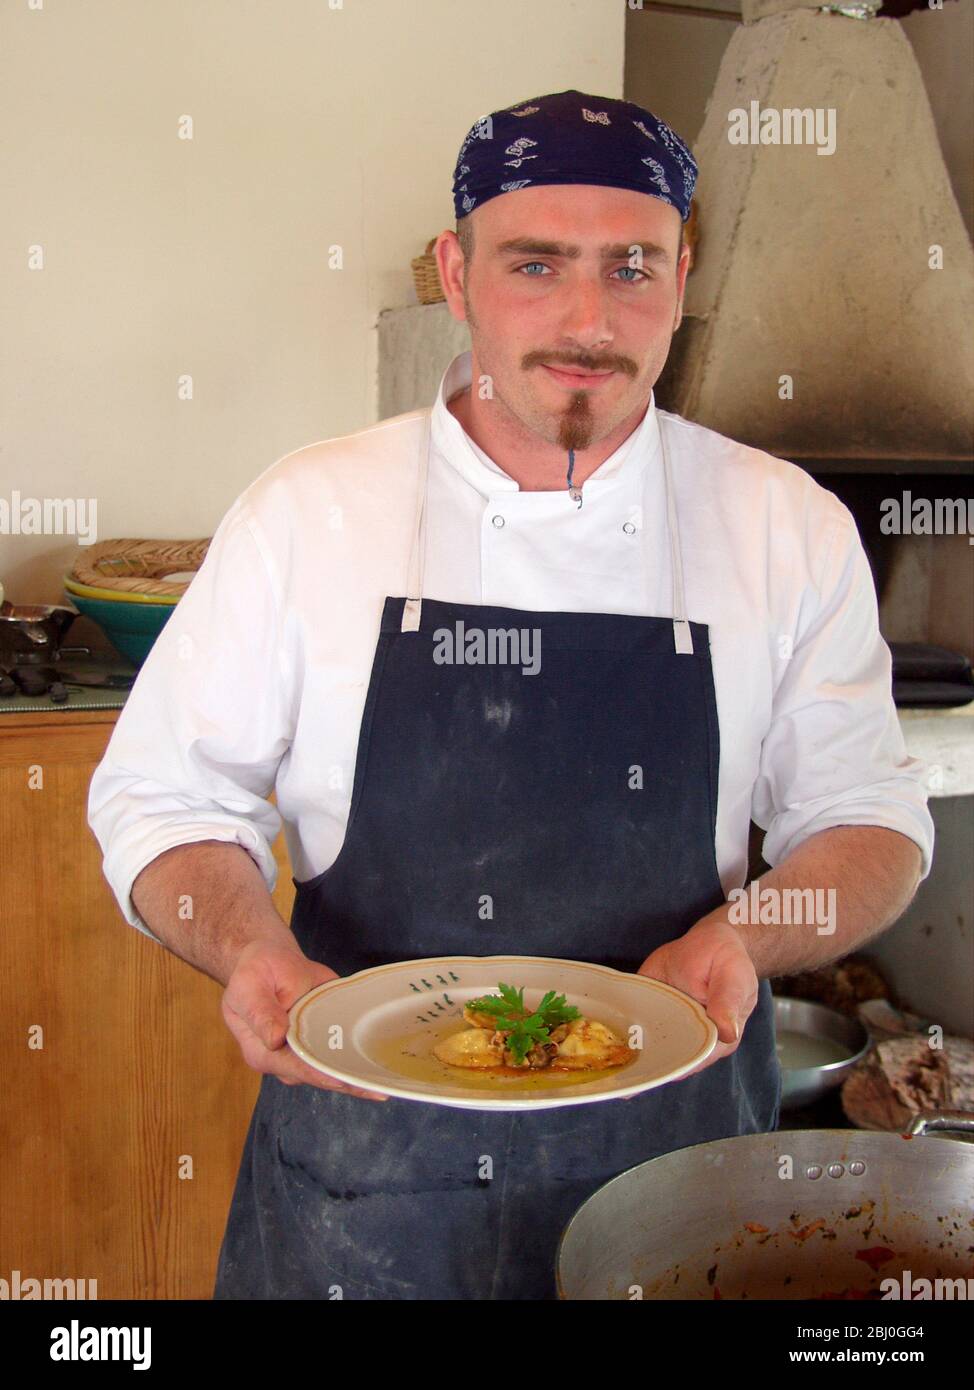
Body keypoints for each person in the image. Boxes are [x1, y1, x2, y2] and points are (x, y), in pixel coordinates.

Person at [88, 89, 934, 1300]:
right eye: (534, 264)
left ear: (682, 278)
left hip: (675, 1173)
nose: (588, 320)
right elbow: (165, 799)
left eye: (631, 266)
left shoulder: (781, 525)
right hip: (366, 1170)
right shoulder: (310, 512)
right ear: (455, 272)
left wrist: (750, 933)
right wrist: (247, 949)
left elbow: (871, 822)